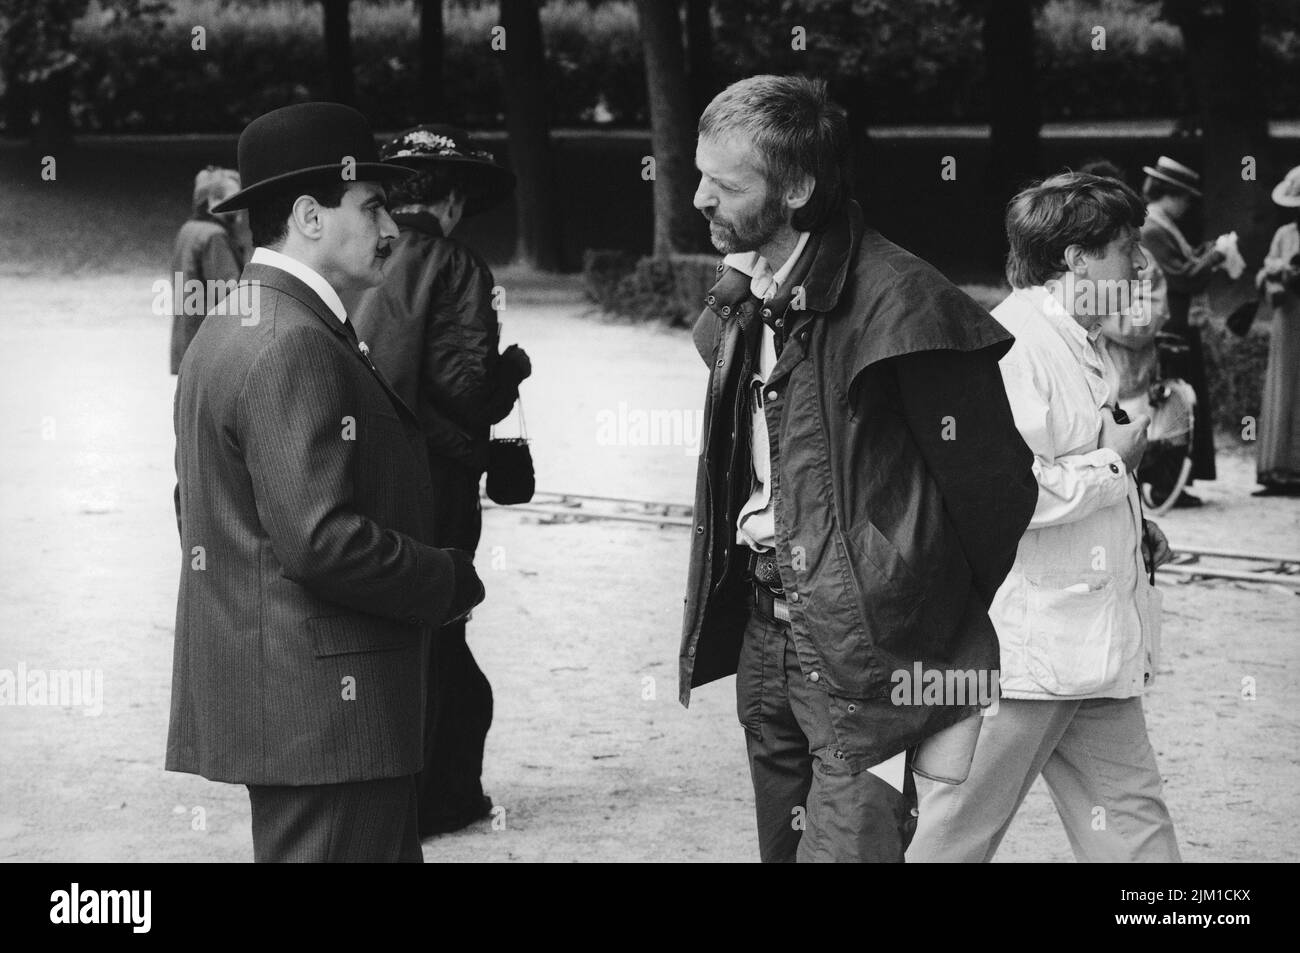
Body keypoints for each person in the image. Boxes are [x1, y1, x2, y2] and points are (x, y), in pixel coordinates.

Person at [679, 75, 1037, 863]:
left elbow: (996, 491)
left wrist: (896, 593)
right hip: (765, 637)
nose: (699, 197)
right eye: (700, 174)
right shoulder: (747, 290)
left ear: (797, 188)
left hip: (864, 653)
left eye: (726, 185)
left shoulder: (906, 302)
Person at [168, 103, 486, 863]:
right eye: (372, 205)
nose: (391, 227)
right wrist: (446, 578)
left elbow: (200, 509)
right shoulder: (293, 339)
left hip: (299, 704)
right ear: (310, 217)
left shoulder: (240, 320)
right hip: (330, 717)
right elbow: (321, 540)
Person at [908, 173, 1181, 863]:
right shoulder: (1016, 347)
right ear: (1075, 258)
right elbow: (1004, 493)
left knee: (1134, 828)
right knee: (952, 835)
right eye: (1126, 247)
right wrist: (1114, 469)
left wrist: (1131, 525)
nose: (1140, 264)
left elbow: (1063, 462)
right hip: (1026, 655)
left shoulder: (1075, 339)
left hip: (1090, 648)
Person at [352, 125, 531, 836]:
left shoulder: (361, 256)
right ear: (453, 201)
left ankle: (385, 787)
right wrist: (510, 374)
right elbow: (465, 388)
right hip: (437, 481)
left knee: (390, 630)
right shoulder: (456, 263)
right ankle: (437, 796)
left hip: (363, 470)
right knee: (443, 628)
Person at [1139, 156, 1225, 505]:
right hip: (1171, 325)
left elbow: (1184, 266)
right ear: (1171, 194)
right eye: (1185, 197)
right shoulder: (1154, 228)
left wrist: (1207, 254)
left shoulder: (1161, 224)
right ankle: (1165, 481)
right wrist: (1216, 256)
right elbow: (1183, 277)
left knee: (1179, 401)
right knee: (1174, 404)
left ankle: (1174, 479)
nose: (1187, 205)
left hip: (1177, 323)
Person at [1078, 159, 1171, 419]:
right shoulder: (1071, 258)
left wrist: (1090, 307)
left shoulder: (1141, 262)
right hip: (1080, 392)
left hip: (1128, 389)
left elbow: (1143, 326)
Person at [169, 166, 244, 374]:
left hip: (188, 345)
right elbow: (233, 297)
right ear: (213, 201)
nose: (240, 207)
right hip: (211, 352)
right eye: (234, 199)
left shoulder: (188, 230)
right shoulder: (214, 236)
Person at [1253, 165, 1300, 496]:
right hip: (1288, 315)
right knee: (1282, 386)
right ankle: (1276, 468)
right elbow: (1266, 269)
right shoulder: (1284, 234)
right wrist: (1277, 273)